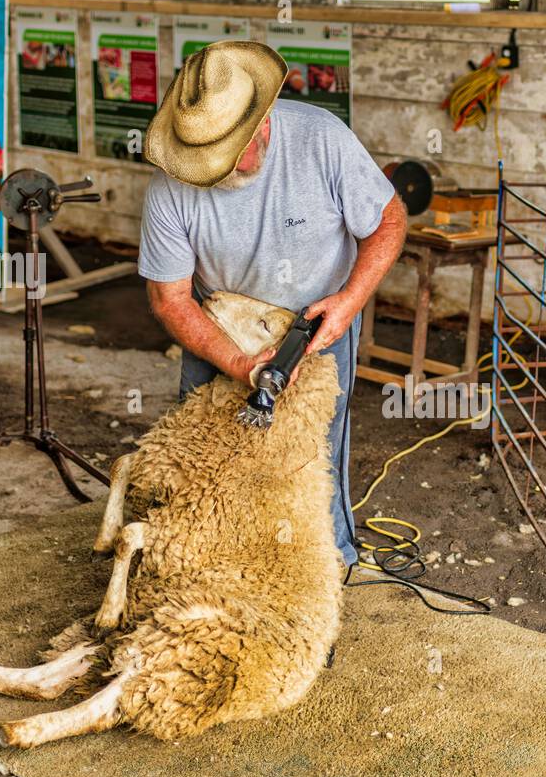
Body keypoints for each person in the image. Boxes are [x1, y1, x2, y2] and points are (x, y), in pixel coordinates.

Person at [138, 41, 406, 569]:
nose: (219, 169)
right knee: (211, 452)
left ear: (262, 122)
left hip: (318, 318)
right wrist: (238, 362)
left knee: (313, 454)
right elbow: (170, 299)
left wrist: (350, 303)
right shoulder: (172, 183)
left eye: (229, 151)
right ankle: (222, 568)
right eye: (208, 157)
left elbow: (388, 221)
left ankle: (331, 566)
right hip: (221, 322)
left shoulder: (321, 140)